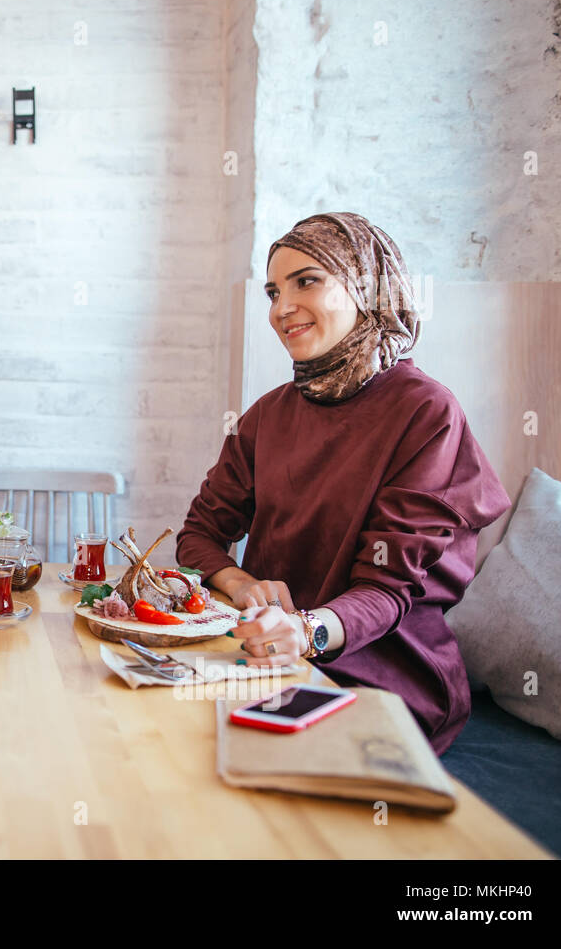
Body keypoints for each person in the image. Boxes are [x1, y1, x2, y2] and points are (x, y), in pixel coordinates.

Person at [175, 212, 511, 754]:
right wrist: (239, 583)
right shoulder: (266, 416)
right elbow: (198, 535)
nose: (281, 309)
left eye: (306, 281)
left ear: (365, 285)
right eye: (272, 291)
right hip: (269, 666)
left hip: (383, 679)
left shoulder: (425, 412)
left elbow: (387, 588)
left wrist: (305, 632)